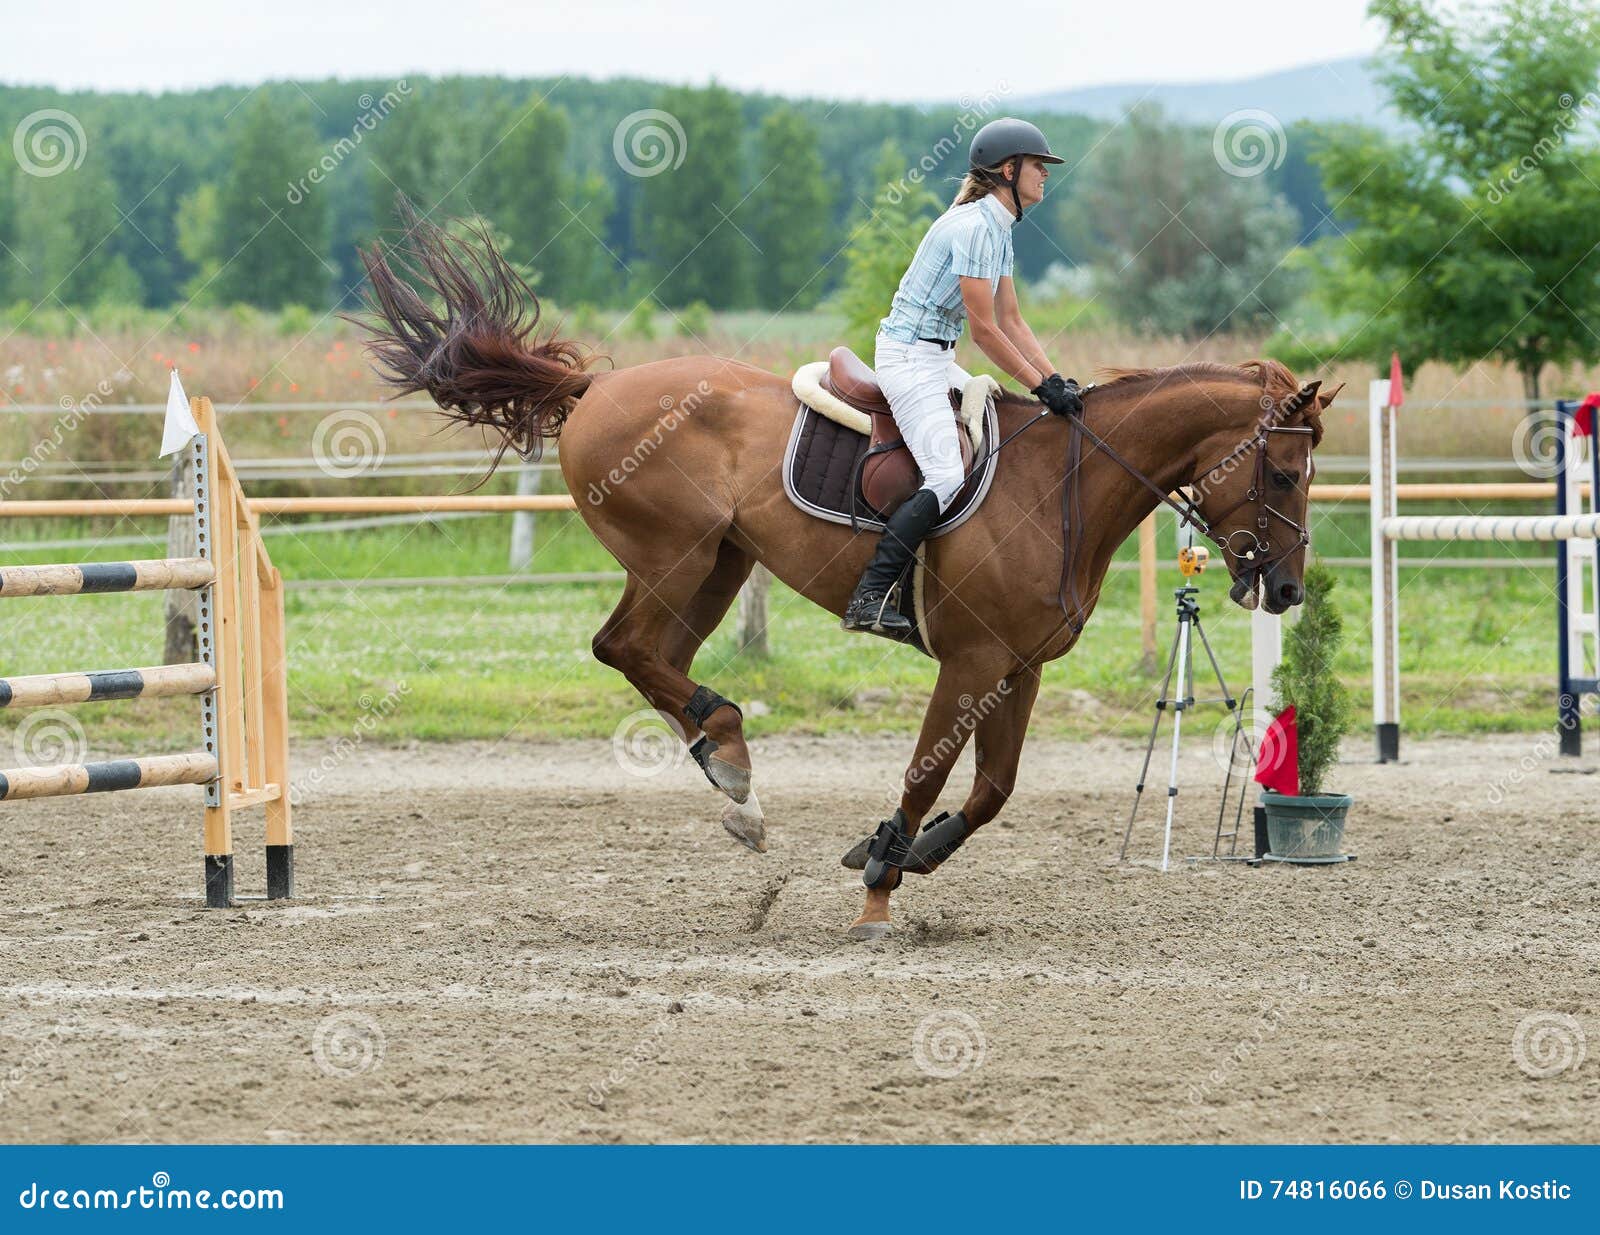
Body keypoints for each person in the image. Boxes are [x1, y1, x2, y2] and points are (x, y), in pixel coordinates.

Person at [841, 117, 1085, 635]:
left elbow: (1014, 320)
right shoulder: (975, 228)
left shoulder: (999, 226)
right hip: (908, 359)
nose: (1045, 174)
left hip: (933, 356)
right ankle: (869, 596)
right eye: (1038, 166)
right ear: (1008, 170)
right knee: (947, 475)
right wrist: (1041, 388)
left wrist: (1056, 379)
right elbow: (986, 333)